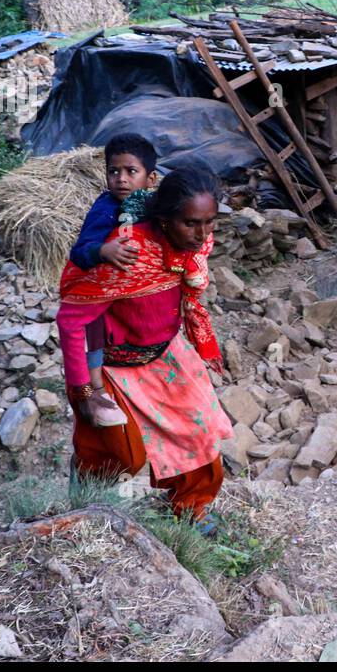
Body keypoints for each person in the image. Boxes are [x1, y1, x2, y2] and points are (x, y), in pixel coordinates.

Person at [56, 166, 233, 532]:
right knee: (119, 453)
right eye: (191, 224)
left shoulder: (190, 248)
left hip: (165, 355)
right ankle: (87, 509)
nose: (201, 235)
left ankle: (192, 509)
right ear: (164, 219)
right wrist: (86, 390)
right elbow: (74, 320)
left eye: (209, 222)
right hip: (110, 367)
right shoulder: (127, 257)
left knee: (199, 434)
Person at [67, 133, 159, 427]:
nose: (121, 179)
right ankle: (92, 388)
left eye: (131, 171)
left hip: (140, 292)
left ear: (150, 178)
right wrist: (102, 250)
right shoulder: (105, 208)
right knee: (91, 325)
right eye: (113, 171)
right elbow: (79, 252)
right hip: (102, 285)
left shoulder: (154, 207)